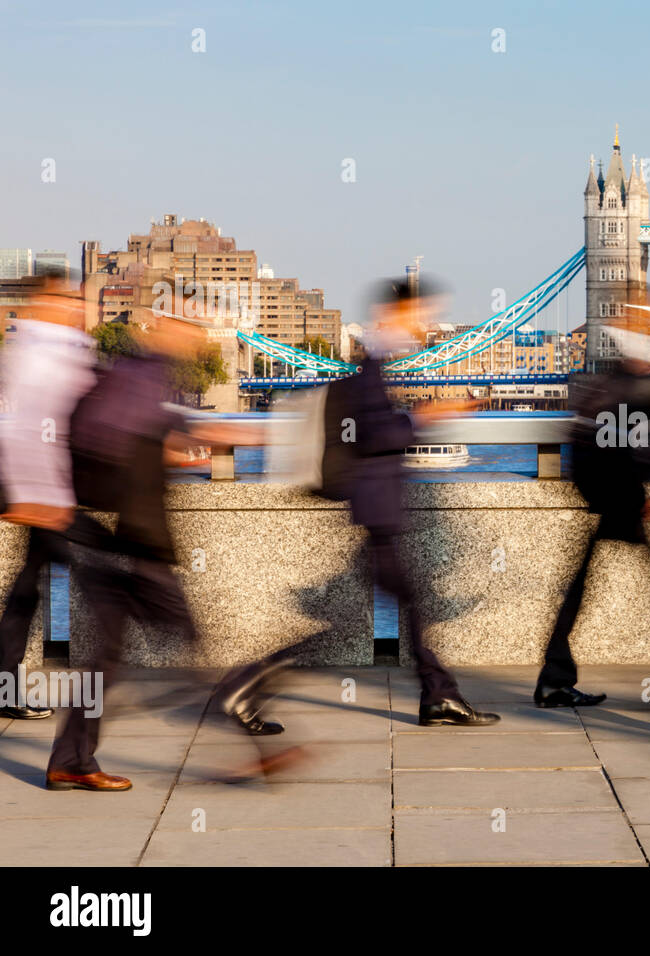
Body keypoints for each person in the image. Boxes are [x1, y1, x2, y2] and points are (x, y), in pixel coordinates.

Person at [216, 277, 499, 731]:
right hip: (376, 514)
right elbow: (377, 436)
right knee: (358, 622)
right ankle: (244, 685)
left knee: (403, 606)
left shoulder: (376, 369)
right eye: (417, 314)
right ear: (393, 318)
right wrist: (429, 416)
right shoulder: (369, 373)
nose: (423, 322)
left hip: (378, 512)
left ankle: (438, 696)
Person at [47, 310, 248, 791]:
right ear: (166, 335)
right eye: (188, 334)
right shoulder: (142, 374)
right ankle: (250, 748)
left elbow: (129, 437)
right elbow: (122, 438)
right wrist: (185, 439)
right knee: (191, 644)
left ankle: (70, 760)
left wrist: (175, 442)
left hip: (112, 536)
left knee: (109, 655)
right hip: (131, 541)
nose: (193, 343)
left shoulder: (131, 375)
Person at [535, 289, 650, 708]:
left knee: (584, 587)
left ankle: (555, 678)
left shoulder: (617, 378)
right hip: (615, 495)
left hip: (608, 494)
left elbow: (607, 434)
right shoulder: (631, 381)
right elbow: (637, 438)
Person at [0, 274, 102, 721]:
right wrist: (32, 496)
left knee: (27, 589)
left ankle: (4, 686)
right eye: (68, 298)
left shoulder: (56, 345)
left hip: (52, 490)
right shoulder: (37, 351)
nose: (76, 306)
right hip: (44, 492)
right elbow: (18, 426)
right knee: (105, 578)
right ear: (46, 301)